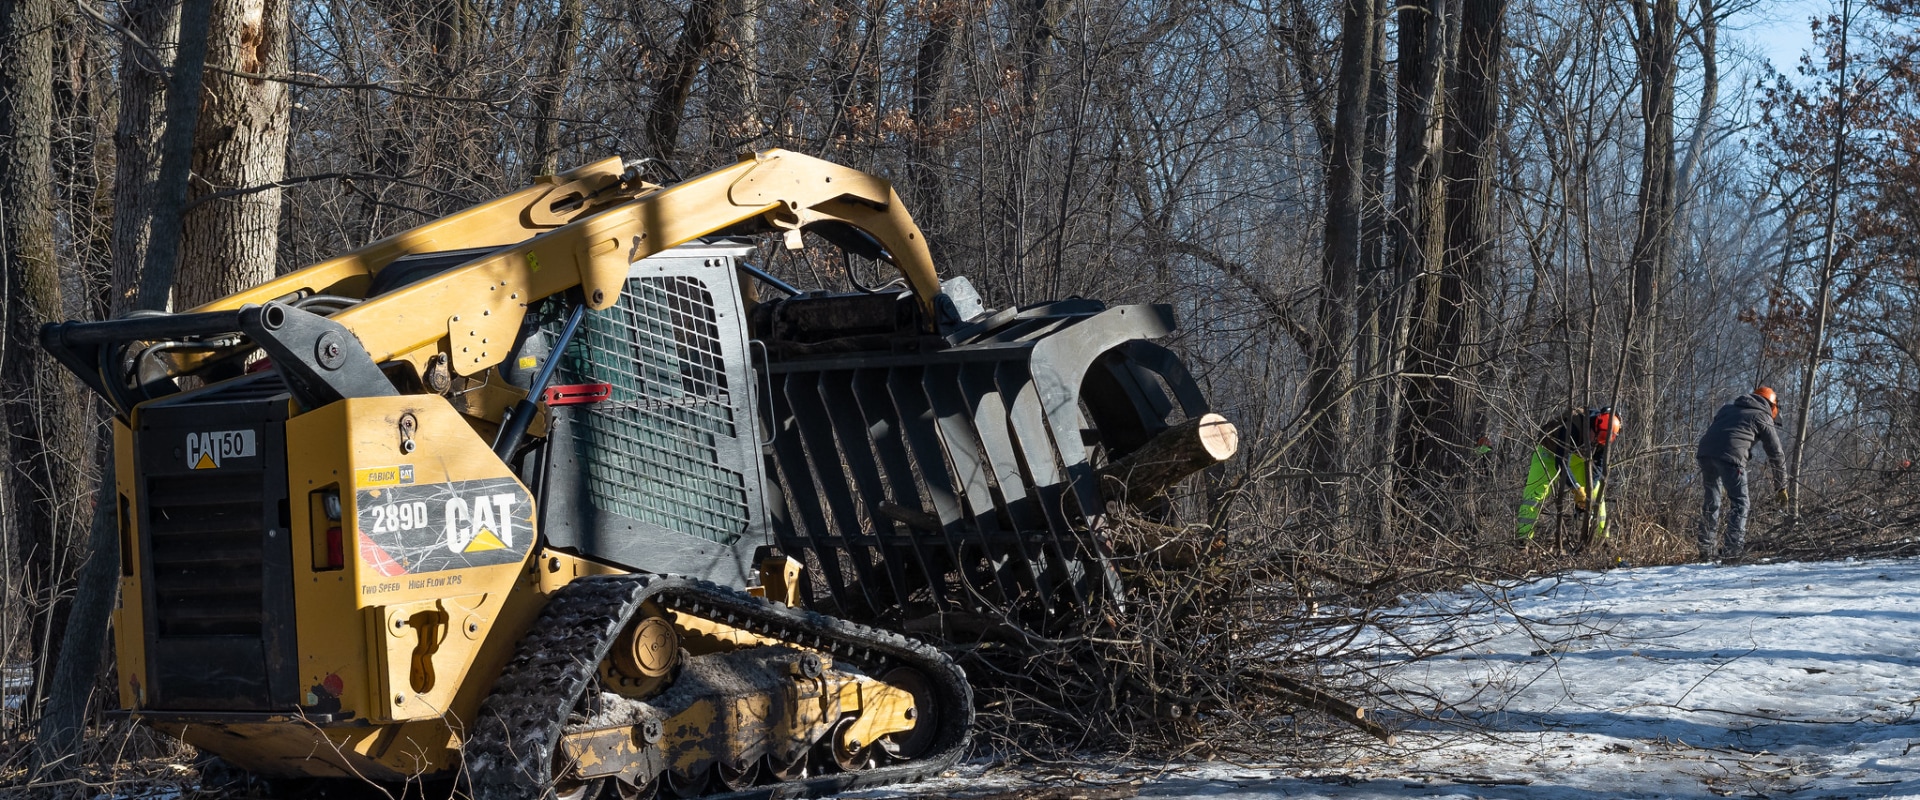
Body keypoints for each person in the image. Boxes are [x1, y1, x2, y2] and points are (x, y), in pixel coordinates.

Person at [1696, 386, 1789, 561]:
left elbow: (1725, 433)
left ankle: (1706, 550)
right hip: (1731, 459)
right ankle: (1733, 552)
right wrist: (1781, 486)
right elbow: (1776, 454)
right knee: (1740, 504)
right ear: (1772, 405)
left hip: (1705, 453)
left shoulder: (1727, 409)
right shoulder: (1762, 415)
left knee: (1712, 502)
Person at [1517, 406, 1623, 543]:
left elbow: (1598, 466)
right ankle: (1523, 539)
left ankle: (1601, 541)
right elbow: (1561, 463)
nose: (1598, 441)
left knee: (1596, 493)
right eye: (1600, 437)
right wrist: (1576, 488)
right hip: (1549, 452)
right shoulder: (1573, 425)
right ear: (1594, 426)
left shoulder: (1604, 436)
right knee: (1534, 495)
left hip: (1577, 457)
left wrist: (1588, 489)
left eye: (1604, 439)